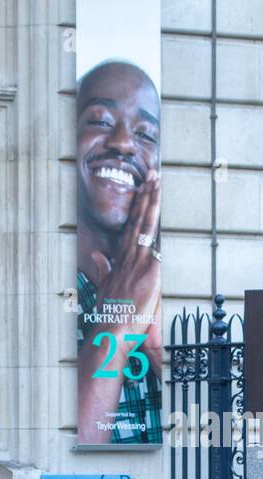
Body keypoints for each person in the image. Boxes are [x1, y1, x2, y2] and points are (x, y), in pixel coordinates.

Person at [75, 59, 163, 444]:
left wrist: (160, 351)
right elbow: (58, 458)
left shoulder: (175, 286)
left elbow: (223, 464)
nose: (124, 143)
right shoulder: (40, 292)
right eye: (101, 120)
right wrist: (117, 324)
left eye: (146, 133)